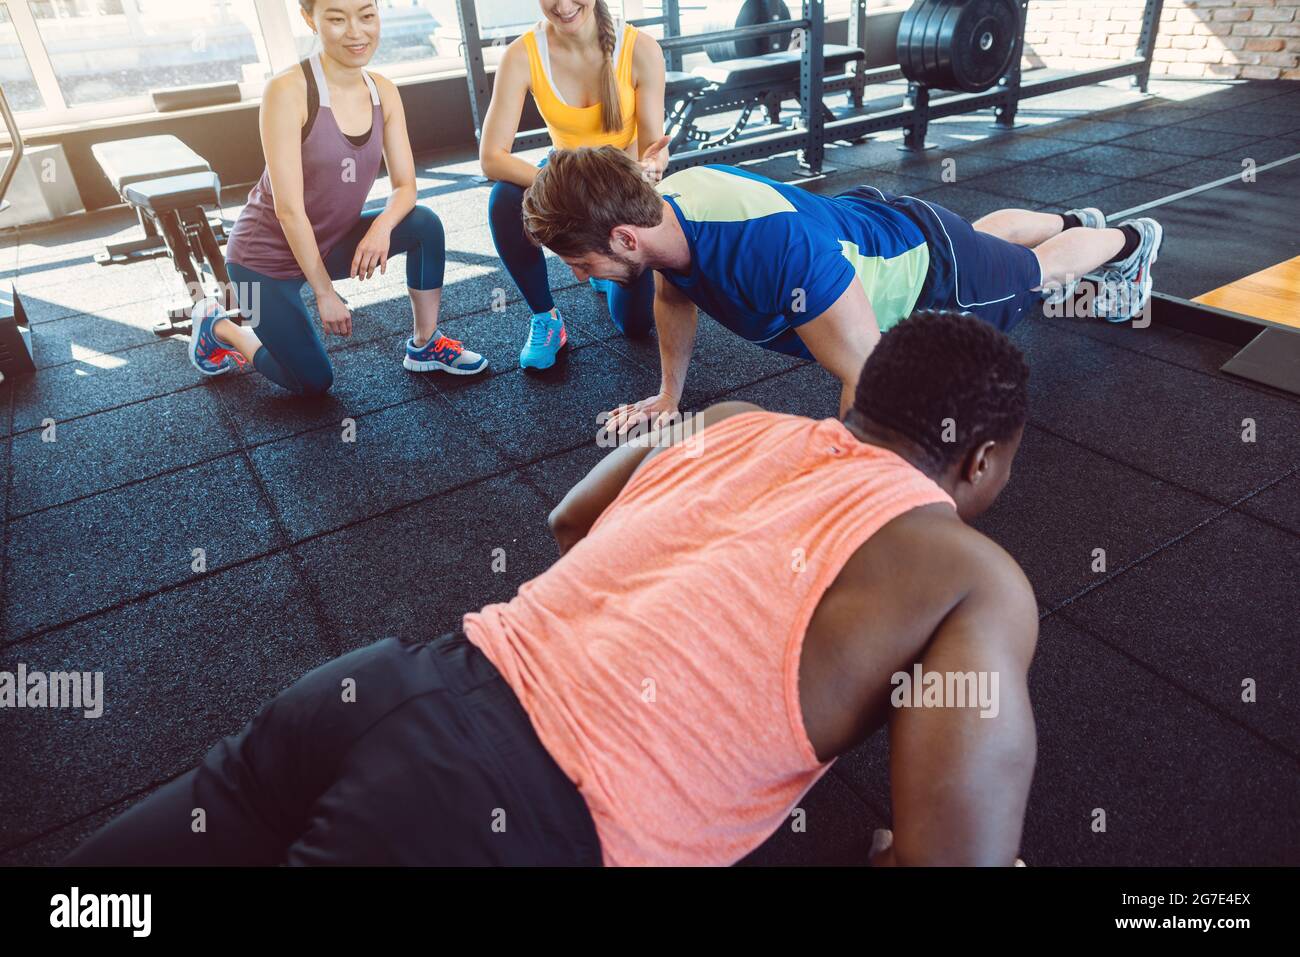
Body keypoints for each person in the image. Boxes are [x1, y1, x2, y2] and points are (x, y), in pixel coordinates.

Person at [67, 310, 1039, 867]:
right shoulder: (977, 580)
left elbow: (571, 519)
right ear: (983, 460)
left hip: (388, 690)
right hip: (498, 828)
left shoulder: (736, 417)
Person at [519, 147, 1163, 426]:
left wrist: (843, 492)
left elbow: (869, 371)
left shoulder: (771, 252)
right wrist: (667, 396)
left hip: (932, 279)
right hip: (891, 225)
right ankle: (1077, 221)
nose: (577, 276)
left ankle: (1130, 242)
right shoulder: (666, 211)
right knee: (982, 236)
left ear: (626, 238)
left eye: (579, 261)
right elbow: (673, 293)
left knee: (1037, 274)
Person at [189, 0, 486, 395]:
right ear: (309, 19)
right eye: (336, 18)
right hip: (259, 263)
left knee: (423, 225)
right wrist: (325, 292)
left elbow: (405, 187)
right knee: (312, 382)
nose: (356, 32)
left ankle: (425, 343)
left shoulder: (384, 91)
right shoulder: (287, 90)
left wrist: (381, 228)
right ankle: (219, 326)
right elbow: (289, 209)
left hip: (328, 243)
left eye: (366, 15)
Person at [479, 0, 670, 370]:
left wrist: (653, 164)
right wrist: (567, 187)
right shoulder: (522, 55)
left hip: (620, 194)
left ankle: (599, 264)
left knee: (636, 326)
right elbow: (491, 157)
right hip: (568, 178)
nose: (564, 6)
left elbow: (651, 148)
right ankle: (546, 318)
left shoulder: (641, 49)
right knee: (505, 198)